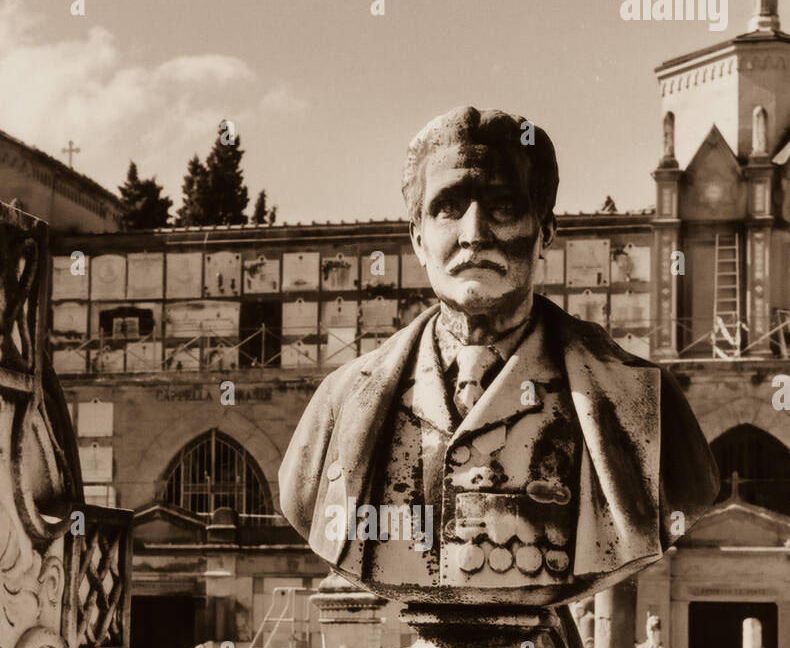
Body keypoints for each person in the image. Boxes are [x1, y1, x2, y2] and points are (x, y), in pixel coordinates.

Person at [279, 106, 718, 602]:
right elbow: (302, 503)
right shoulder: (341, 403)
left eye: (504, 206)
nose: (474, 233)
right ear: (418, 239)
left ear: (545, 232)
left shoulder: (643, 402)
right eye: (448, 208)